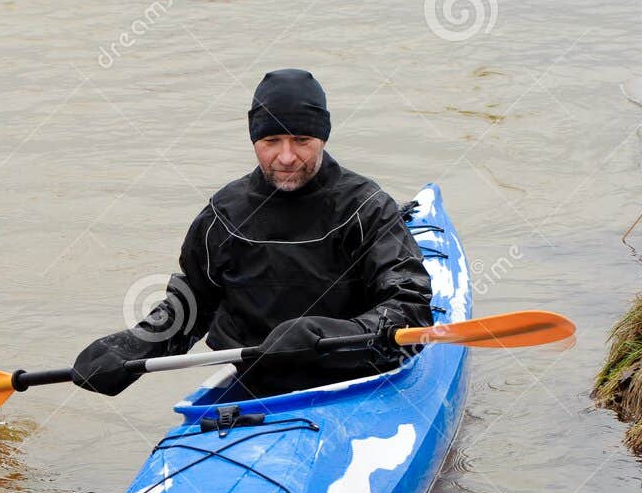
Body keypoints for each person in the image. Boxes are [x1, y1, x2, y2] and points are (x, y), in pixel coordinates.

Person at [72, 68, 433, 398]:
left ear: (322, 138)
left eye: (301, 140)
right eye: (272, 140)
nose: (287, 157)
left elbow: (410, 308)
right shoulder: (225, 214)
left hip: (358, 379)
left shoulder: (366, 208)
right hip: (258, 382)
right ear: (254, 139)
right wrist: (137, 342)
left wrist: (329, 336)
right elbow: (194, 302)